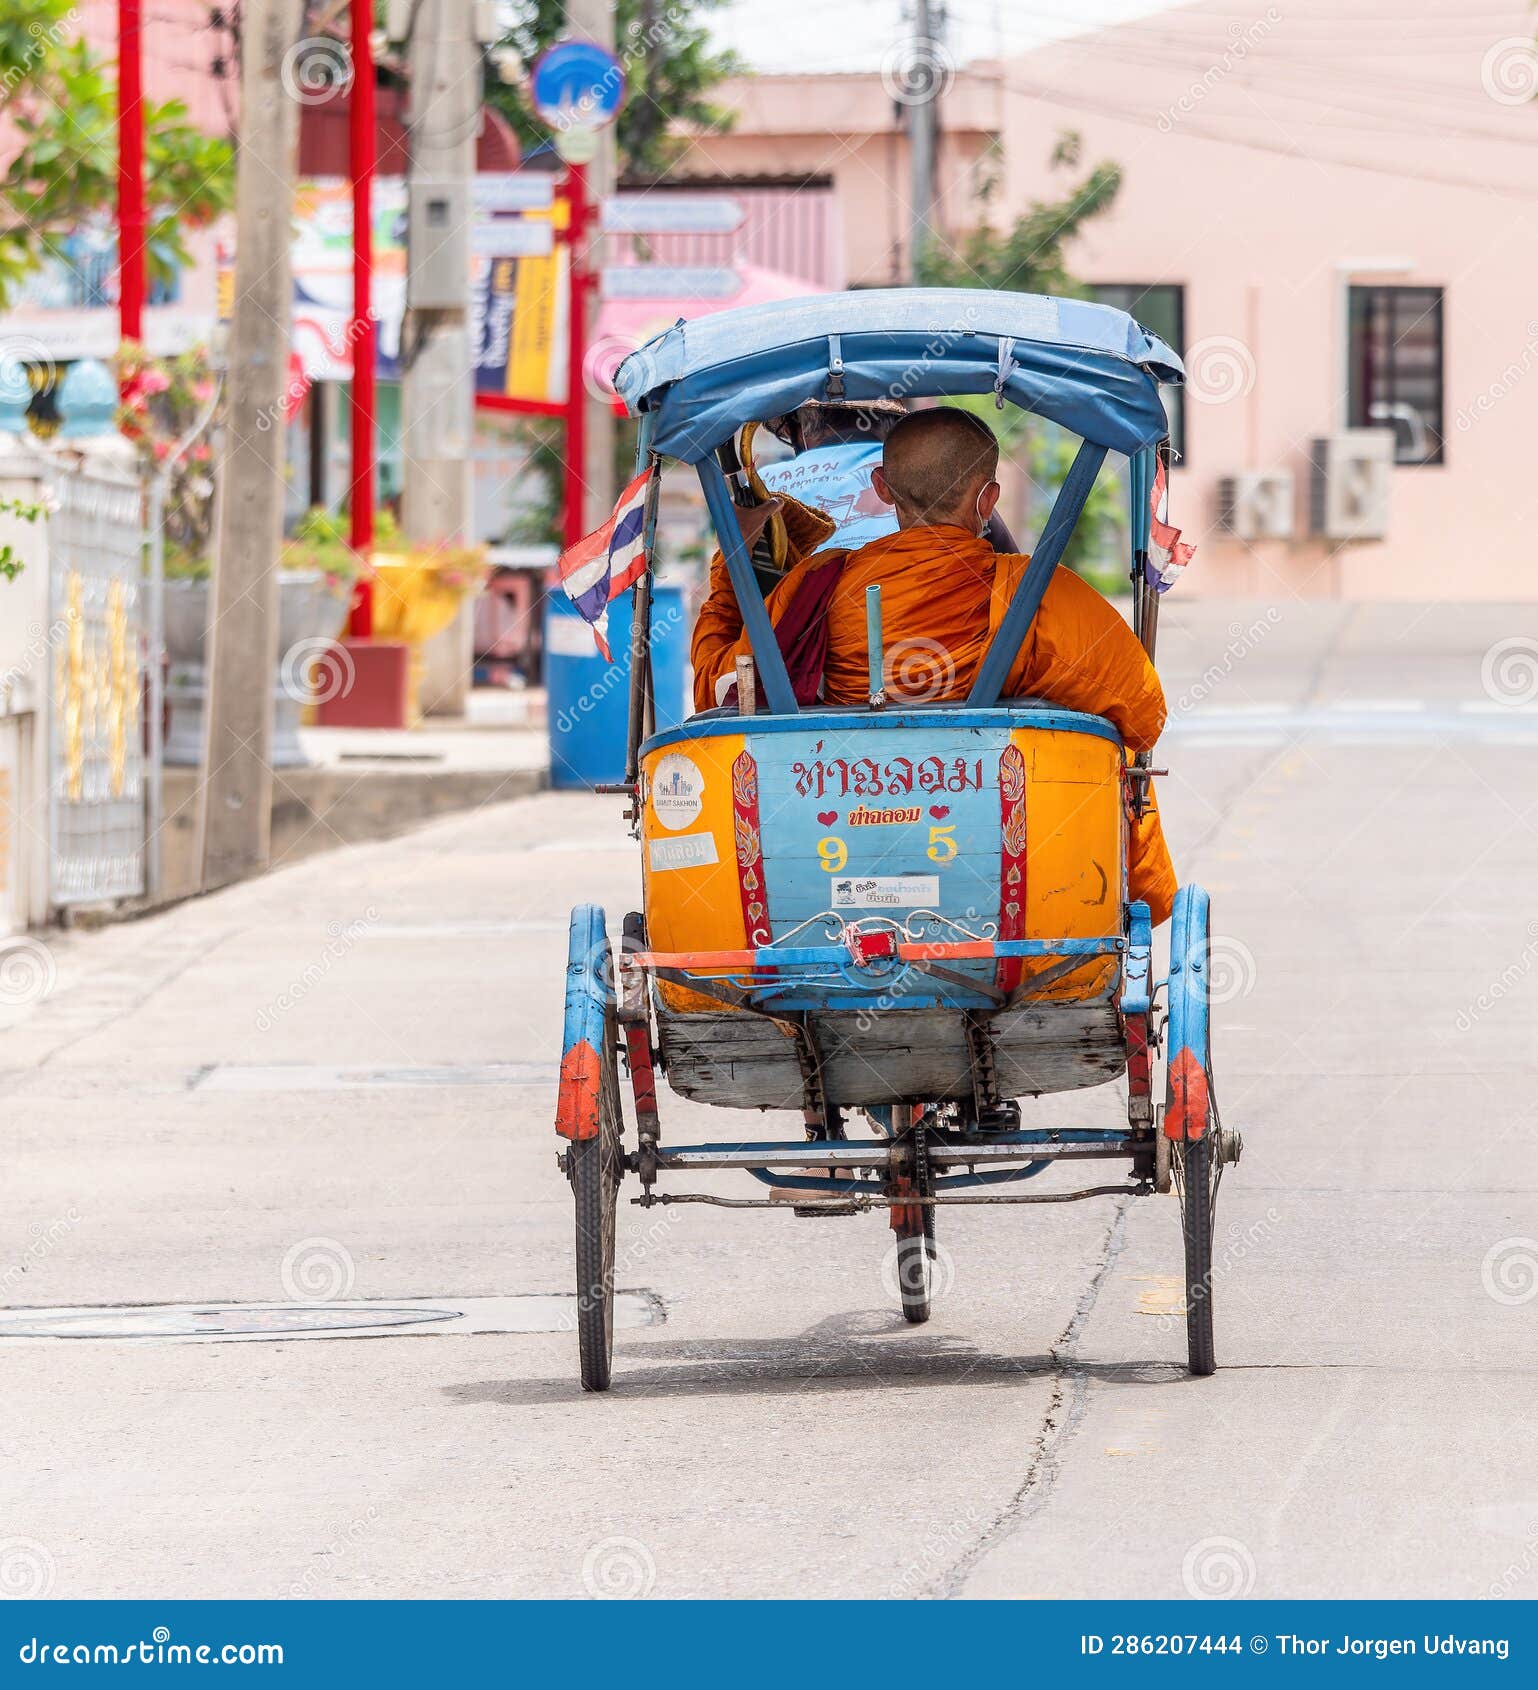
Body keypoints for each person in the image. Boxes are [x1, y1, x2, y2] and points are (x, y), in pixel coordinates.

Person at [691, 406, 1176, 922]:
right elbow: (1144, 715)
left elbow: (721, 692)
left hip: (825, 829)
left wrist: (731, 564)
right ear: (988, 498)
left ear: (882, 486)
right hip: (1000, 841)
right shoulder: (1032, 592)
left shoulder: (816, 585)